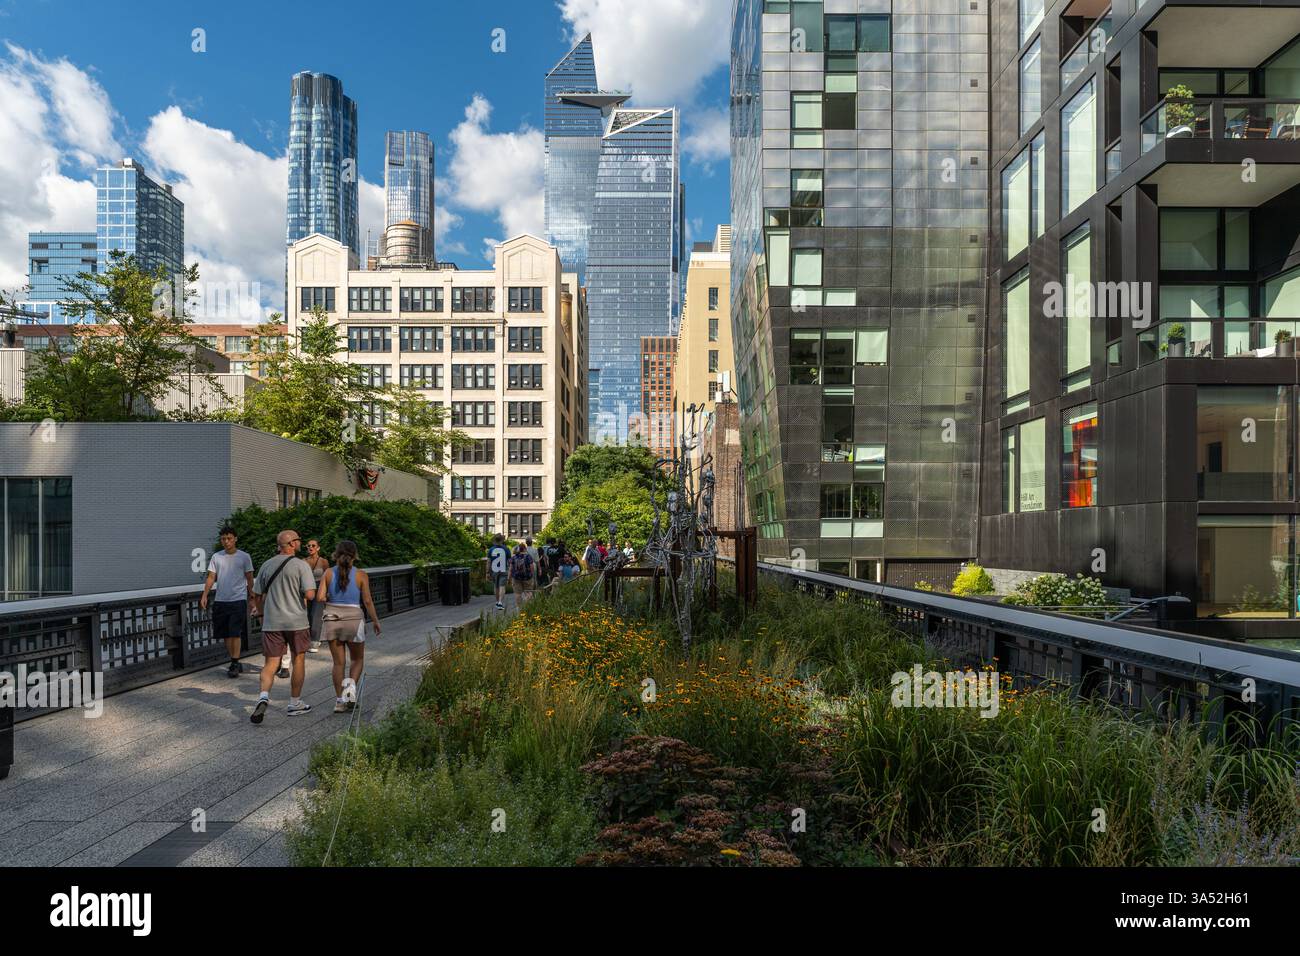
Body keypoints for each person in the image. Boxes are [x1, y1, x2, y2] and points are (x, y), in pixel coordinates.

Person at [249, 530, 317, 723]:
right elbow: (310, 595)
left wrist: (261, 614)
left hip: (272, 622)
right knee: (298, 660)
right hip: (296, 622)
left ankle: (263, 697)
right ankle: (294, 703)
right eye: (299, 541)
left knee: (270, 664)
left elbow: (256, 595)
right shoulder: (301, 565)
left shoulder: (267, 565)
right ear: (292, 544)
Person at [316, 540, 382, 714]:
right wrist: (375, 620)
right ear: (355, 556)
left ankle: (339, 701)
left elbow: (319, 597)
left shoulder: (328, 573)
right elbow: (367, 601)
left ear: (336, 555)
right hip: (354, 620)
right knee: (357, 659)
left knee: (338, 663)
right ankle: (350, 690)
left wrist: (331, 597)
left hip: (332, 619)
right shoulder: (361, 575)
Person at [200, 527, 254, 678]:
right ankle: (234, 660)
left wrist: (252, 598)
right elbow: (211, 577)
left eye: (229, 538)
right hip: (221, 599)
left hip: (238, 598)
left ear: (235, 539)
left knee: (235, 633)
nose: (226, 541)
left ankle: (235, 663)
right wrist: (204, 595)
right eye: (223, 539)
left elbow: (249, 579)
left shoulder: (244, 557)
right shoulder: (217, 557)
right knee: (225, 634)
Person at [304, 539, 331, 653]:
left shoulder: (324, 561)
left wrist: (328, 593)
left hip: (320, 589)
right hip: (306, 590)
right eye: (308, 546)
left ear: (318, 548)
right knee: (305, 614)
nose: (310, 547)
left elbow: (328, 577)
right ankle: (306, 640)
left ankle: (314, 640)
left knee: (316, 614)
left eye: (313, 545)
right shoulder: (303, 561)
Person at [487, 533, 511, 611]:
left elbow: (489, 562)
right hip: (503, 569)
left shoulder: (491, 550)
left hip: (494, 570)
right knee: (502, 586)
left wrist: (487, 572)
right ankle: (500, 602)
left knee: (496, 586)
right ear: (501, 541)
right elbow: (510, 561)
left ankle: (497, 602)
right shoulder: (506, 549)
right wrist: (510, 571)